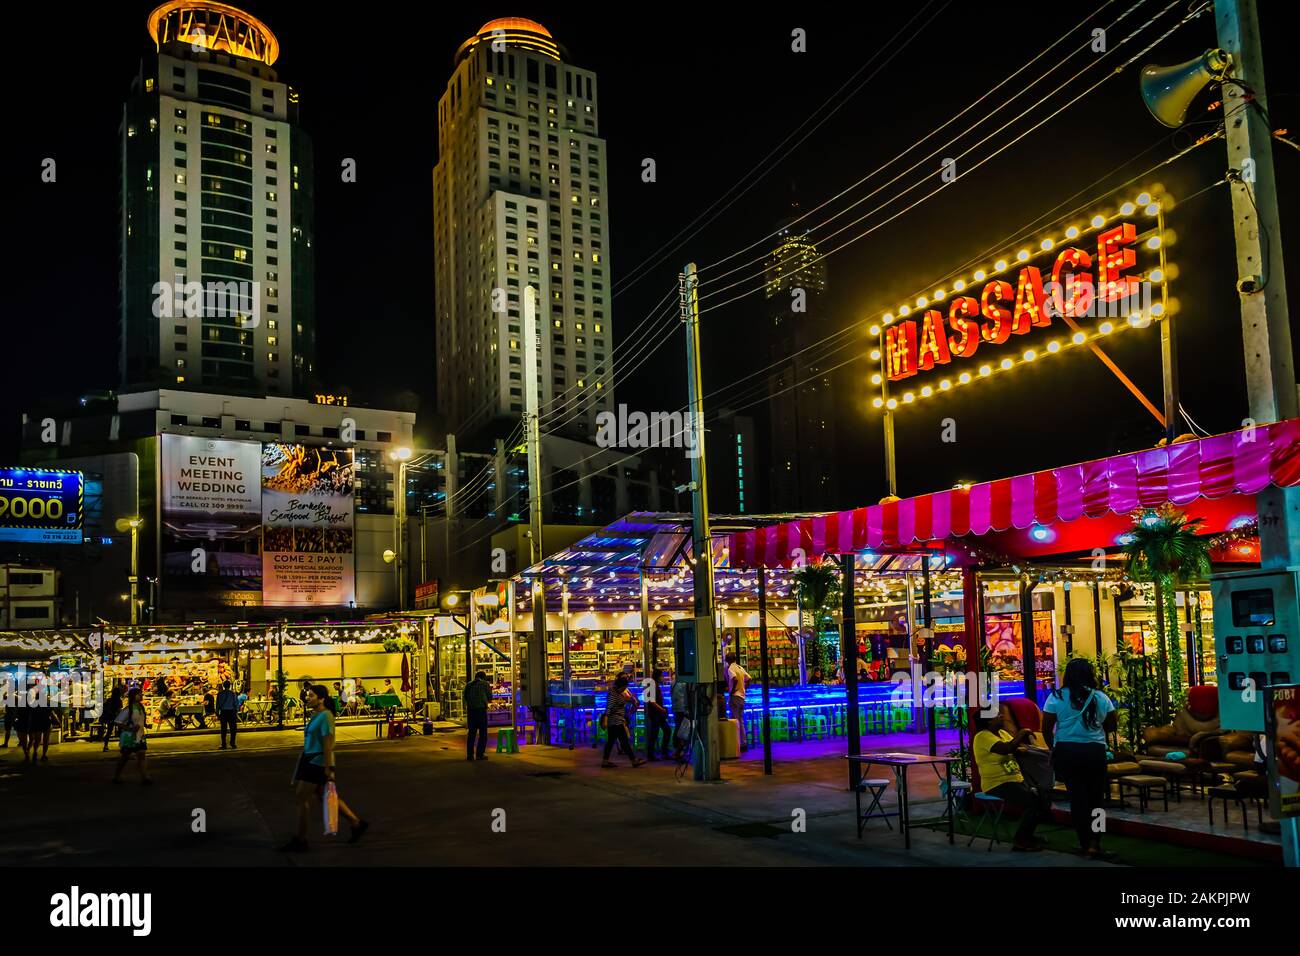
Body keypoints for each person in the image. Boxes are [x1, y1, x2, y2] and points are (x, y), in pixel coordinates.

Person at [1042, 657, 1118, 861]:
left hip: (1067, 751)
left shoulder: (1056, 697)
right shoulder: (1100, 697)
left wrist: (1054, 748)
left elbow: (1046, 728)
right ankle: (1096, 843)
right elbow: (1112, 726)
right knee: (1096, 800)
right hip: (1094, 751)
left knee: (1077, 800)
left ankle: (1084, 842)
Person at [280, 685, 368, 851]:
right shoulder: (316, 715)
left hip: (317, 762)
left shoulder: (326, 716)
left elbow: (328, 744)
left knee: (301, 799)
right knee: (324, 796)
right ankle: (356, 823)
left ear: (321, 698)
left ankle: (300, 840)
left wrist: (330, 769)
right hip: (309, 760)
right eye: (307, 695)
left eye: (311, 696)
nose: (308, 698)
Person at [971, 708, 1048, 851]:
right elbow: (1007, 748)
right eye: (996, 715)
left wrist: (1019, 747)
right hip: (997, 783)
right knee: (1032, 801)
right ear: (988, 721)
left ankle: (1028, 836)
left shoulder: (1002, 733)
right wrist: (1022, 732)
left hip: (1016, 778)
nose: (1001, 716)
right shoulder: (982, 737)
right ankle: (1021, 841)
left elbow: (1014, 747)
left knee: (1043, 798)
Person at [601, 675, 643, 768]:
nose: (625, 689)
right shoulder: (613, 694)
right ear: (620, 686)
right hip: (616, 721)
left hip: (617, 721)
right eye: (624, 687)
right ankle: (633, 760)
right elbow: (608, 708)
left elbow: (623, 701)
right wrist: (605, 720)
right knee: (624, 741)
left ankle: (605, 761)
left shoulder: (617, 693)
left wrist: (631, 701)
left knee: (611, 742)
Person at [112, 687, 152, 785]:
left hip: (140, 736)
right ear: (134, 696)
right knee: (125, 757)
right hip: (129, 737)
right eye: (139, 694)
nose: (141, 696)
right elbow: (117, 722)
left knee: (141, 755)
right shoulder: (128, 709)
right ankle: (117, 776)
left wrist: (146, 725)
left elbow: (140, 720)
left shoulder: (140, 707)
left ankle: (144, 777)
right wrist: (129, 729)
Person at [723, 653, 751, 752]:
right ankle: (742, 742)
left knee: (736, 721)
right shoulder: (740, 667)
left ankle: (741, 743)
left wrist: (732, 690)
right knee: (740, 720)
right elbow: (749, 679)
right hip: (742, 697)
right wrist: (743, 688)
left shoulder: (731, 668)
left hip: (735, 697)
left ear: (727, 660)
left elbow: (734, 679)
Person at [463, 671, 491, 761]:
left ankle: (470, 755)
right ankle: (480, 754)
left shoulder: (468, 685)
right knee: (483, 733)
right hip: (481, 711)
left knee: (471, 733)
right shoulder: (485, 684)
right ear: (483, 677)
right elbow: (490, 697)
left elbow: (465, 697)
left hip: (471, 711)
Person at [644, 670, 671, 761]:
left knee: (662, 732)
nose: (663, 678)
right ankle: (654, 754)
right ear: (658, 676)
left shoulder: (653, 684)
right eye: (661, 676)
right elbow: (652, 701)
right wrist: (661, 709)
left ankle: (661, 752)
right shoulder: (653, 685)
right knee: (656, 733)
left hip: (657, 713)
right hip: (656, 713)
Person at [216, 680, 240, 749]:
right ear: (229, 686)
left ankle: (223, 743)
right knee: (233, 729)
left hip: (223, 712)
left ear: (223, 686)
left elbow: (218, 704)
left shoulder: (220, 694)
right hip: (231, 712)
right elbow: (236, 704)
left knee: (223, 729)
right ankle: (232, 743)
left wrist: (217, 713)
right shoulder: (233, 694)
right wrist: (236, 711)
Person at [670, 672, 689, 761]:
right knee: (683, 729)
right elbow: (687, 695)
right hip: (683, 708)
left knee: (678, 726)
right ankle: (678, 748)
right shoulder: (684, 683)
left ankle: (677, 748)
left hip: (676, 707)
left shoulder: (673, 682)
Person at [101, 684, 124, 753]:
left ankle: (105, 746)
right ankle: (122, 745)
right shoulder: (119, 701)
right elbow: (120, 709)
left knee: (109, 732)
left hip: (110, 717)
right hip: (117, 718)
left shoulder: (109, 700)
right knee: (120, 732)